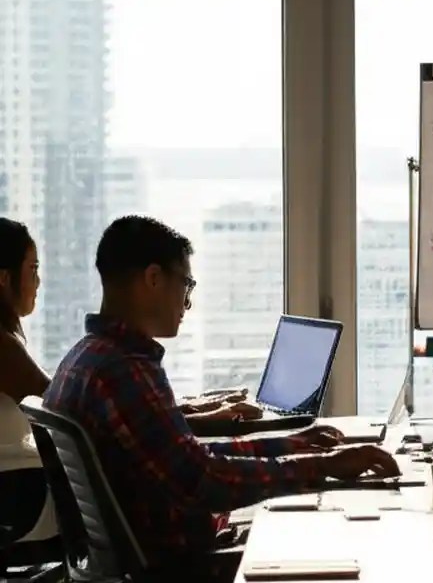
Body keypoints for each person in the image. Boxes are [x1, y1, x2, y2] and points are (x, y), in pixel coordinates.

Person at [43, 216, 399, 581]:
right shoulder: (122, 370)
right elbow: (203, 481)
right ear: (153, 278)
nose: (188, 303)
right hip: (183, 567)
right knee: (346, 546)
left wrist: (293, 445)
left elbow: (191, 459)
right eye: (186, 285)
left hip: (157, 557)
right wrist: (321, 467)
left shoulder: (84, 359)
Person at [0, 218, 57, 550]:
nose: (38, 281)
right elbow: (62, 404)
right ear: (4, 278)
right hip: (15, 498)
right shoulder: (2, 347)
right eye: (32, 269)